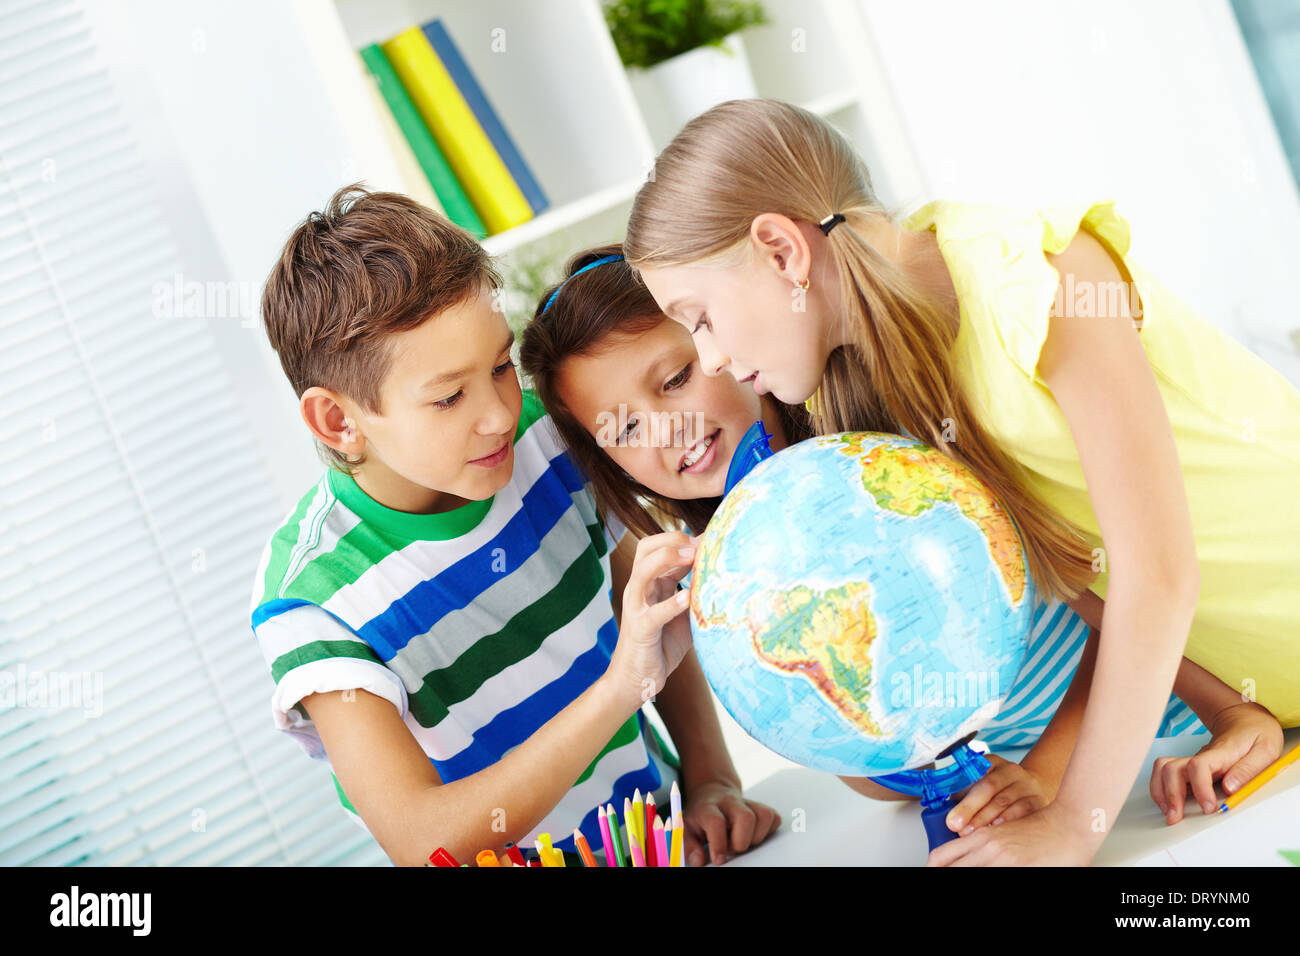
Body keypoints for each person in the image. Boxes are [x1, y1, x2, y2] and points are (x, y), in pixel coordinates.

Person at [621, 98, 1296, 864]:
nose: (709, 360)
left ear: (781, 251)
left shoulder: (1042, 276)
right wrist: (1229, 709)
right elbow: (1077, 572)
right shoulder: (864, 387)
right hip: (1274, 686)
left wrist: (1077, 821)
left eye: (700, 316)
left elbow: (1158, 572)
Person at [520, 243, 1268, 847]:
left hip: (1150, 738)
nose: (666, 429)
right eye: (623, 430)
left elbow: (1091, 580)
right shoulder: (734, 572)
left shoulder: (886, 453)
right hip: (1060, 794)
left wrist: (1059, 774)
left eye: (676, 378)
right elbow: (866, 770)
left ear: (722, 343)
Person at [249, 184, 777, 866]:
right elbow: (420, 837)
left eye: (500, 365)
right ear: (339, 421)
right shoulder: (312, 599)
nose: (499, 412)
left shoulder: (545, 441)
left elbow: (655, 624)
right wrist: (621, 687)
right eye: (448, 397)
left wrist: (710, 781)